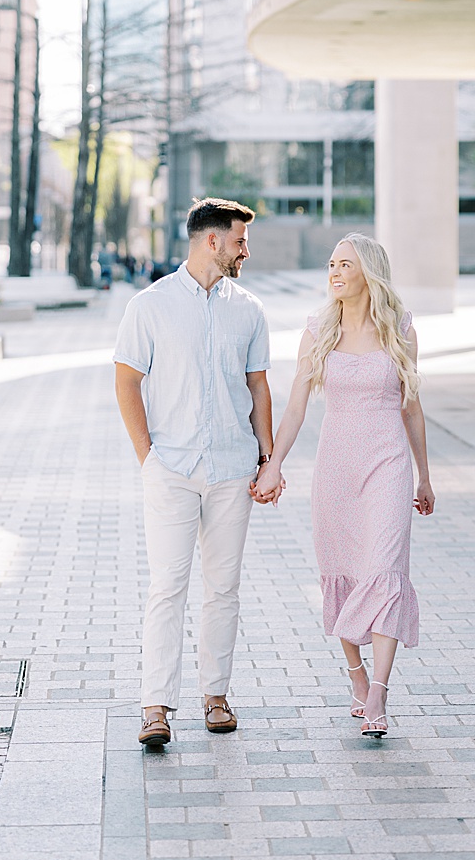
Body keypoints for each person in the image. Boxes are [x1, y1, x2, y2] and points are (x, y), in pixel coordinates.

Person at [253, 234, 435, 740]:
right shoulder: (318, 331)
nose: (334, 272)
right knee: (343, 572)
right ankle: (355, 674)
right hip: (335, 469)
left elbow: (412, 407)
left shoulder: (399, 329)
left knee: (383, 570)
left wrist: (424, 475)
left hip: (388, 465)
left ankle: (378, 691)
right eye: (331, 264)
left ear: (368, 272)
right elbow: (295, 408)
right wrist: (273, 464)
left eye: (345, 264)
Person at [113, 198, 275, 747]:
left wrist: (269, 458)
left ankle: (216, 697)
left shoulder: (249, 309)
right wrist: (148, 457)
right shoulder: (150, 305)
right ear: (212, 241)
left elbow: (258, 386)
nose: (244, 251)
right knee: (167, 587)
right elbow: (127, 381)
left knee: (223, 588)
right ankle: (155, 707)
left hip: (232, 468)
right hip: (173, 469)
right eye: (239, 241)